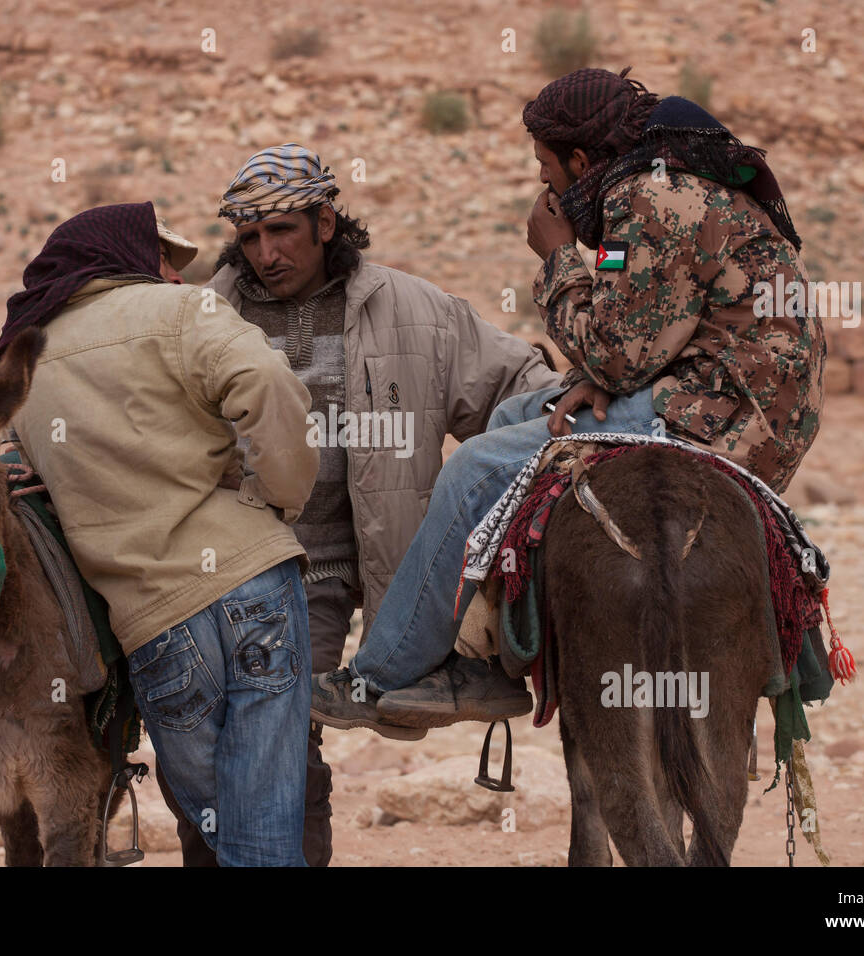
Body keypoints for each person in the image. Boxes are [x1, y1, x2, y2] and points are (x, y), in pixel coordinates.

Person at [310, 67, 826, 733]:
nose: (545, 186)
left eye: (546, 166)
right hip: (707, 385)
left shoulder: (650, 198)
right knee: (508, 420)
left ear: (581, 159)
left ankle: (378, 676)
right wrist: (604, 370)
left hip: (730, 416)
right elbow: (630, 331)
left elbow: (615, 350)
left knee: (474, 470)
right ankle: (485, 660)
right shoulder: (646, 190)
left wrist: (556, 258)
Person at [159, 143, 562, 867]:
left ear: (324, 221)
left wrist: (578, 403)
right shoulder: (199, 317)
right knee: (217, 743)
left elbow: (517, 389)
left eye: (281, 231)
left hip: (352, 564)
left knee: (283, 740)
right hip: (238, 564)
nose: (265, 253)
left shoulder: (414, 311)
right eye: (249, 237)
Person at [0, 202, 320, 866]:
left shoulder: (20, 368)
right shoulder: (181, 314)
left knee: (224, 828)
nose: (175, 276)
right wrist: (280, 500)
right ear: (126, 258)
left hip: (151, 622)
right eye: (167, 260)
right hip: (252, 580)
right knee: (265, 824)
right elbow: (263, 380)